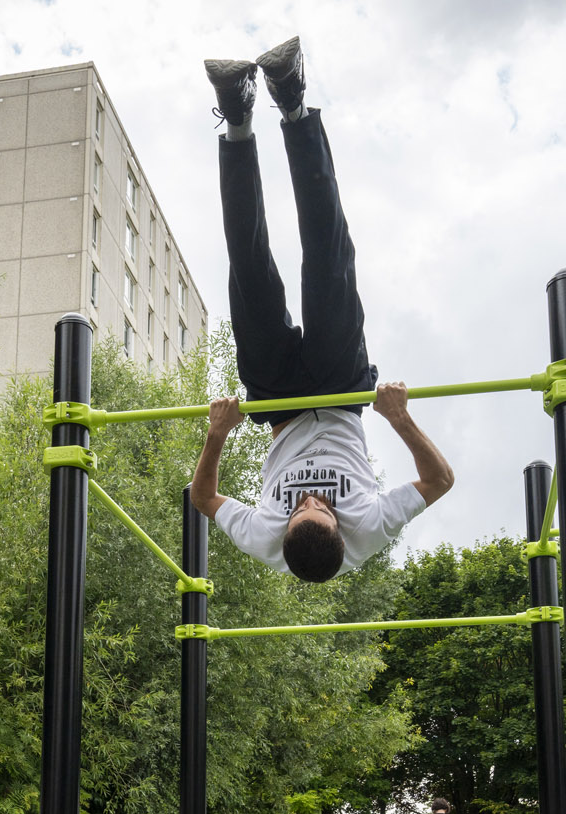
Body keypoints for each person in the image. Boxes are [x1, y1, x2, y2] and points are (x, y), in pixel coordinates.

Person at [195, 38, 454, 582]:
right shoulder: (370, 528)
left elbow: (204, 499)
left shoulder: (266, 538)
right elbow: (439, 482)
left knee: (247, 266)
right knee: (328, 257)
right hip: (340, 390)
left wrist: (218, 434)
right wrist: (400, 420)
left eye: (299, 507)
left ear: (284, 528)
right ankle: (291, 102)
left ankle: (237, 117)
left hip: (278, 399)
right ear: (339, 527)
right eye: (319, 506)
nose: (309, 498)